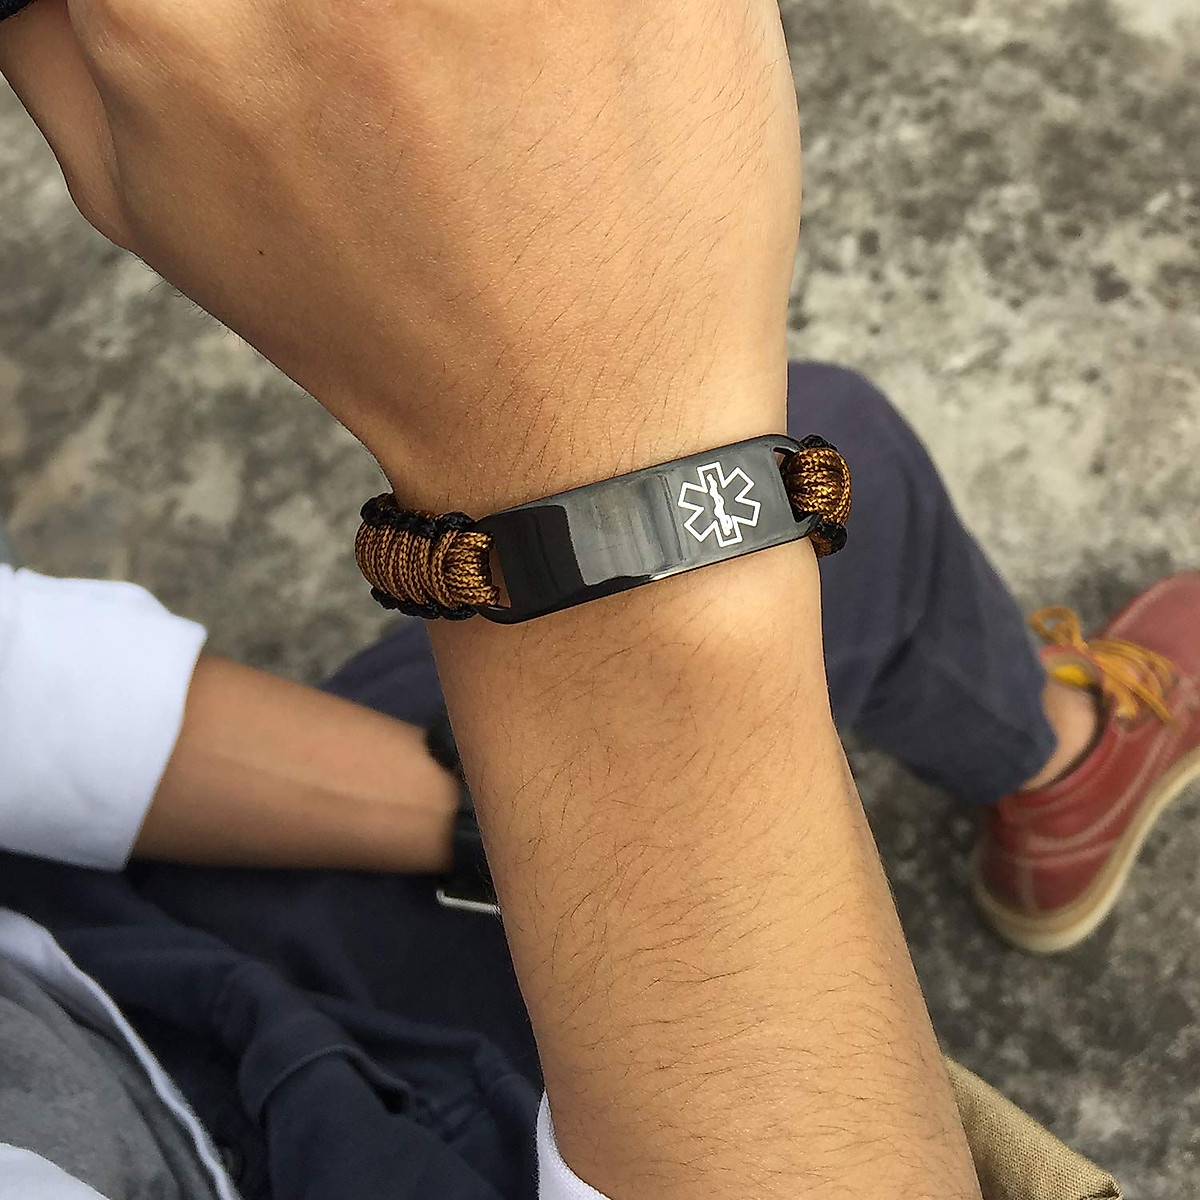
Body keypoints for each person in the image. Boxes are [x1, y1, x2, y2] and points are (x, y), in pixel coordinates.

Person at [0, 0, 1183, 1196]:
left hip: (98, 937)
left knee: (831, 460)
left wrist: (478, 821)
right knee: (757, 484)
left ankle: (1055, 772)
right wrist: (548, 465)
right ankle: (1063, 758)